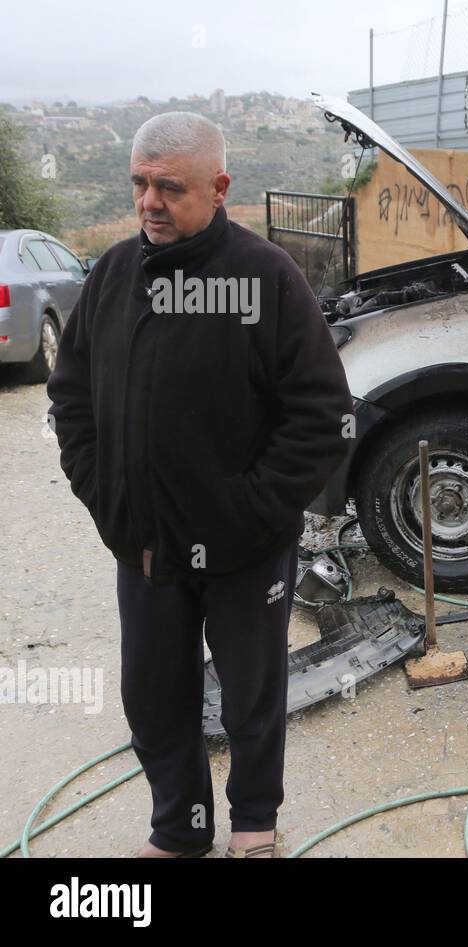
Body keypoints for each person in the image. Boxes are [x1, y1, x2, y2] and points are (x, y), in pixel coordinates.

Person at [46, 111, 353, 858]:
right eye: (140, 185)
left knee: (251, 697)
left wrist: (249, 511)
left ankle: (253, 825)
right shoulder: (115, 275)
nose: (150, 202)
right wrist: (105, 493)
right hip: (143, 545)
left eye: (170, 187)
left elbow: (320, 416)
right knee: (154, 696)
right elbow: (71, 398)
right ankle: (178, 830)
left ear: (218, 188)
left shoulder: (265, 277)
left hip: (244, 551)